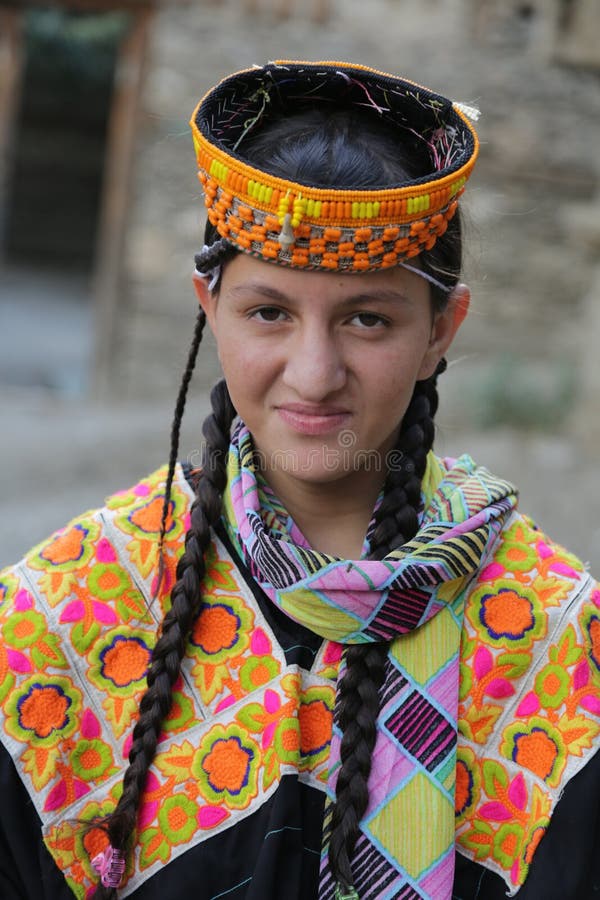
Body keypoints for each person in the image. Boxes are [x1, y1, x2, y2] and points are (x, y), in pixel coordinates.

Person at [0, 60, 598, 900]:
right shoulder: (62, 617)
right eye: (268, 312)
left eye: (367, 318)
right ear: (208, 306)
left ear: (440, 331)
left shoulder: (556, 645)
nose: (314, 375)